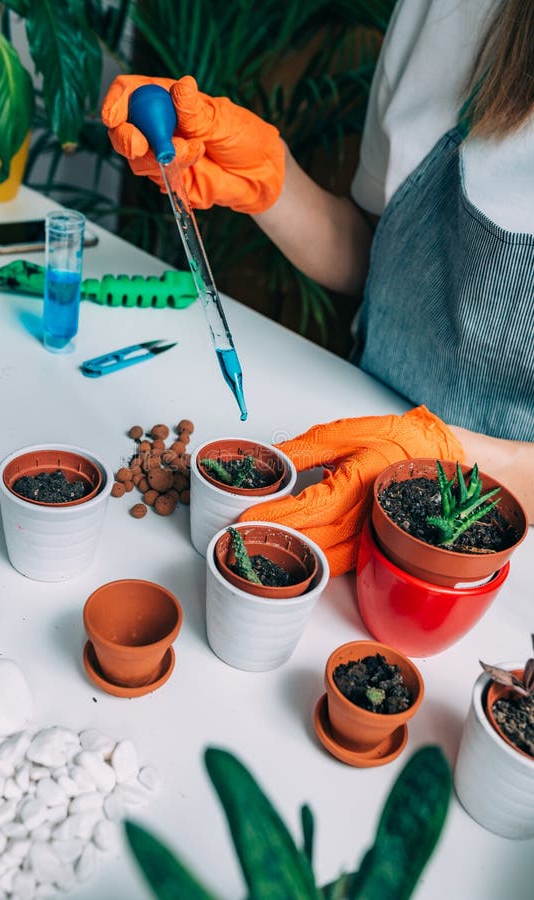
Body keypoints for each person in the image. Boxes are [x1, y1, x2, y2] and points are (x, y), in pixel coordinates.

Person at [102, 0, 533, 575]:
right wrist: (268, 180)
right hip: (354, 447)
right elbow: (375, 257)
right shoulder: (437, 10)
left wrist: (449, 458)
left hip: (498, 534)